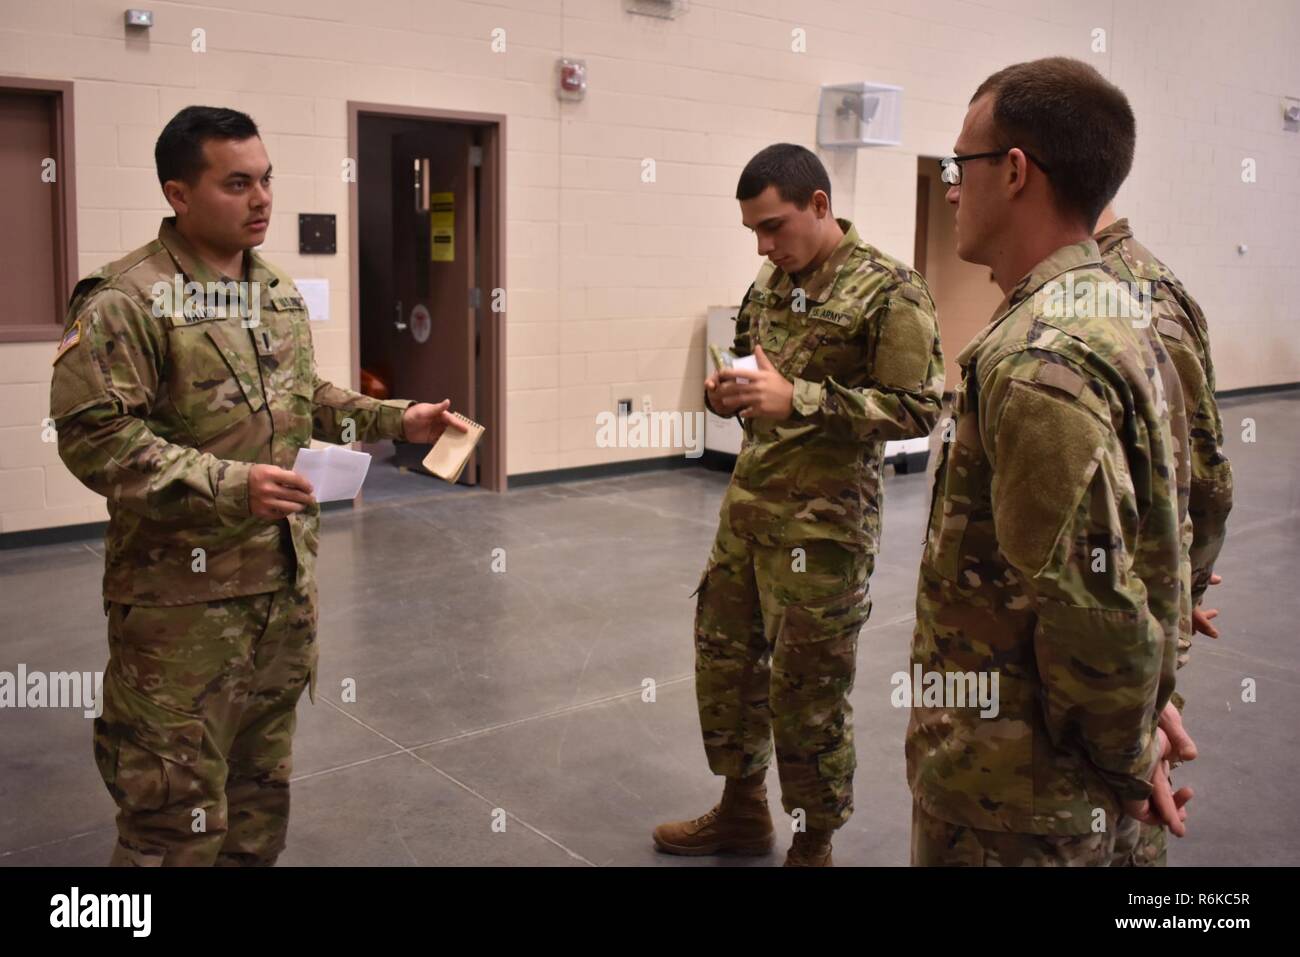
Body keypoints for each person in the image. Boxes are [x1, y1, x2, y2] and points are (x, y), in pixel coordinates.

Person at [49, 105, 466, 866]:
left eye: (266, 178)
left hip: (279, 599)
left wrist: (394, 418)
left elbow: (302, 401)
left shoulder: (272, 291)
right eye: (237, 183)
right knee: (171, 821)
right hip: (180, 615)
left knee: (257, 801)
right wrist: (230, 485)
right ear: (179, 193)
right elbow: (95, 438)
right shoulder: (125, 300)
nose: (262, 198)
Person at [907, 57, 1191, 866]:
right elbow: (1163, 535)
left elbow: (1090, 604)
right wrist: (1144, 719)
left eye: (962, 166)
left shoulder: (1040, 358)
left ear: (1018, 171)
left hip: (1017, 799)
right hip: (1069, 778)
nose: (953, 188)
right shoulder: (1115, 310)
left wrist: (1128, 752)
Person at [654, 143, 944, 866]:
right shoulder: (772, 279)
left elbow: (918, 410)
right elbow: (759, 371)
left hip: (826, 531)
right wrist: (732, 392)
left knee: (809, 692)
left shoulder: (891, 290)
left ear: (821, 205)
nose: (764, 244)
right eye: (754, 230)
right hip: (749, 511)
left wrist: (801, 399)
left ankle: (814, 843)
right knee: (726, 665)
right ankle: (743, 808)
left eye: (775, 226)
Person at [1095, 205, 1234, 865]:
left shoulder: (1133, 296)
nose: (951, 191)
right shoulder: (1087, 285)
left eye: (959, 168)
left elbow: (1199, 484)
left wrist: (1176, 592)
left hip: (1124, 640)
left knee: (1122, 817)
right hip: (1104, 623)